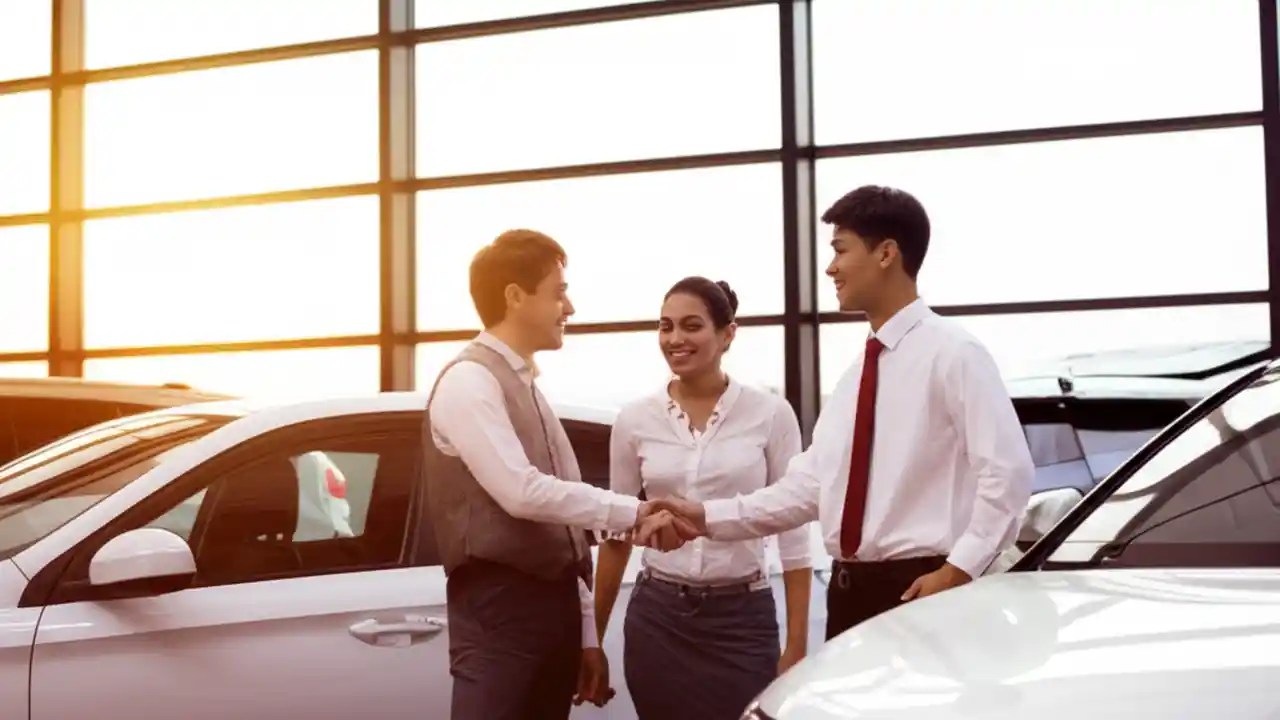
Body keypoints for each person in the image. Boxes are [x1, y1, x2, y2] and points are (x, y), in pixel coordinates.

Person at [642, 185, 1035, 640]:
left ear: (886, 253)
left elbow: (1008, 475)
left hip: (924, 589)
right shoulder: (855, 378)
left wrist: (957, 571)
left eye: (840, 250)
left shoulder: (955, 353)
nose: (830, 267)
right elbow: (807, 488)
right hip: (851, 594)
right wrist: (703, 516)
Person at [420, 228, 681, 720]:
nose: (571, 307)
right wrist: (637, 510)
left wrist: (586, 637)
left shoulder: (530, 391)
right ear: (515, 297)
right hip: (500, 615)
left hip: (550, 612)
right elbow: (522, 493)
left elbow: (565, 537)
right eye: (559, 291)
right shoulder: (468, 381)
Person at [593, 277, 814, 720]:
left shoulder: (770, 414)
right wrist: (592, 643)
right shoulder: (635, 419)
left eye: (691, 326)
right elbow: (617, 533)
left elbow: (793, 531)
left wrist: (796, 646)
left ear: (727, 333)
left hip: (743, 619)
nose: (675, 339)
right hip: (659, 620)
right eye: (665, 326)